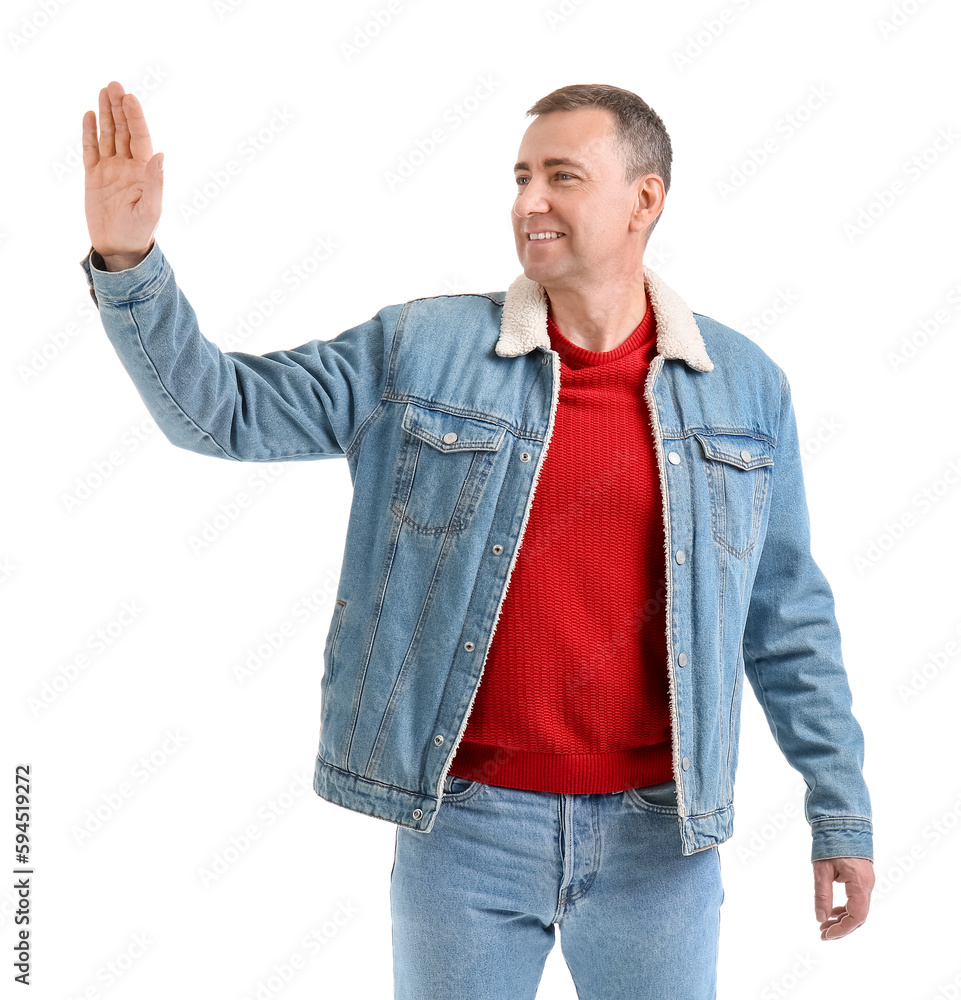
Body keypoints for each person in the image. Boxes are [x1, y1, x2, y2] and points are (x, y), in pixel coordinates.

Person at [81, 80, 874, 999]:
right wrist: (127, 256)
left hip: (662, 841)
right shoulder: (419, 349)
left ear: (644, 201)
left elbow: (787, 621)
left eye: (562, 177)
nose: (528, 202)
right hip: (464, 831)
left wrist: (839, 813)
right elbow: (220, 413)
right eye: (521, 176)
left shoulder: (741, 385)